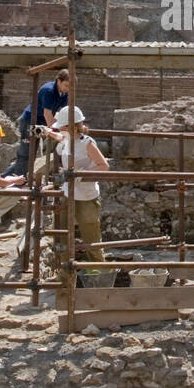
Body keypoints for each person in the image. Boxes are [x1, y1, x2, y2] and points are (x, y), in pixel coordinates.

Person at [54, 106, 109, 268]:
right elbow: (58, 138)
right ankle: (65, 276)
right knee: (62, 236)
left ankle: (98, 274)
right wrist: (45, 132)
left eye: (62, 126)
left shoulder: (87, 143)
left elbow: (103, 166)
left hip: (86, 196)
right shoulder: (66, 140)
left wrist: (81, 174)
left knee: (91, 238)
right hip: (67, 194)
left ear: (72, 126)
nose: (59, 128)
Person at [5, 69, 72, 178]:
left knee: (31, 155)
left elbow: (62, 113)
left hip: (40, 123)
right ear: (58, 81)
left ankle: (12, 177)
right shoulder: (49, 91)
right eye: (66, 85)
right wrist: (60, 131)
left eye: (70, 87)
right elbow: (48, 116)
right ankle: (13, 179)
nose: (67, 89)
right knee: (25, 153)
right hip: (29, 122)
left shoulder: (63, 94)